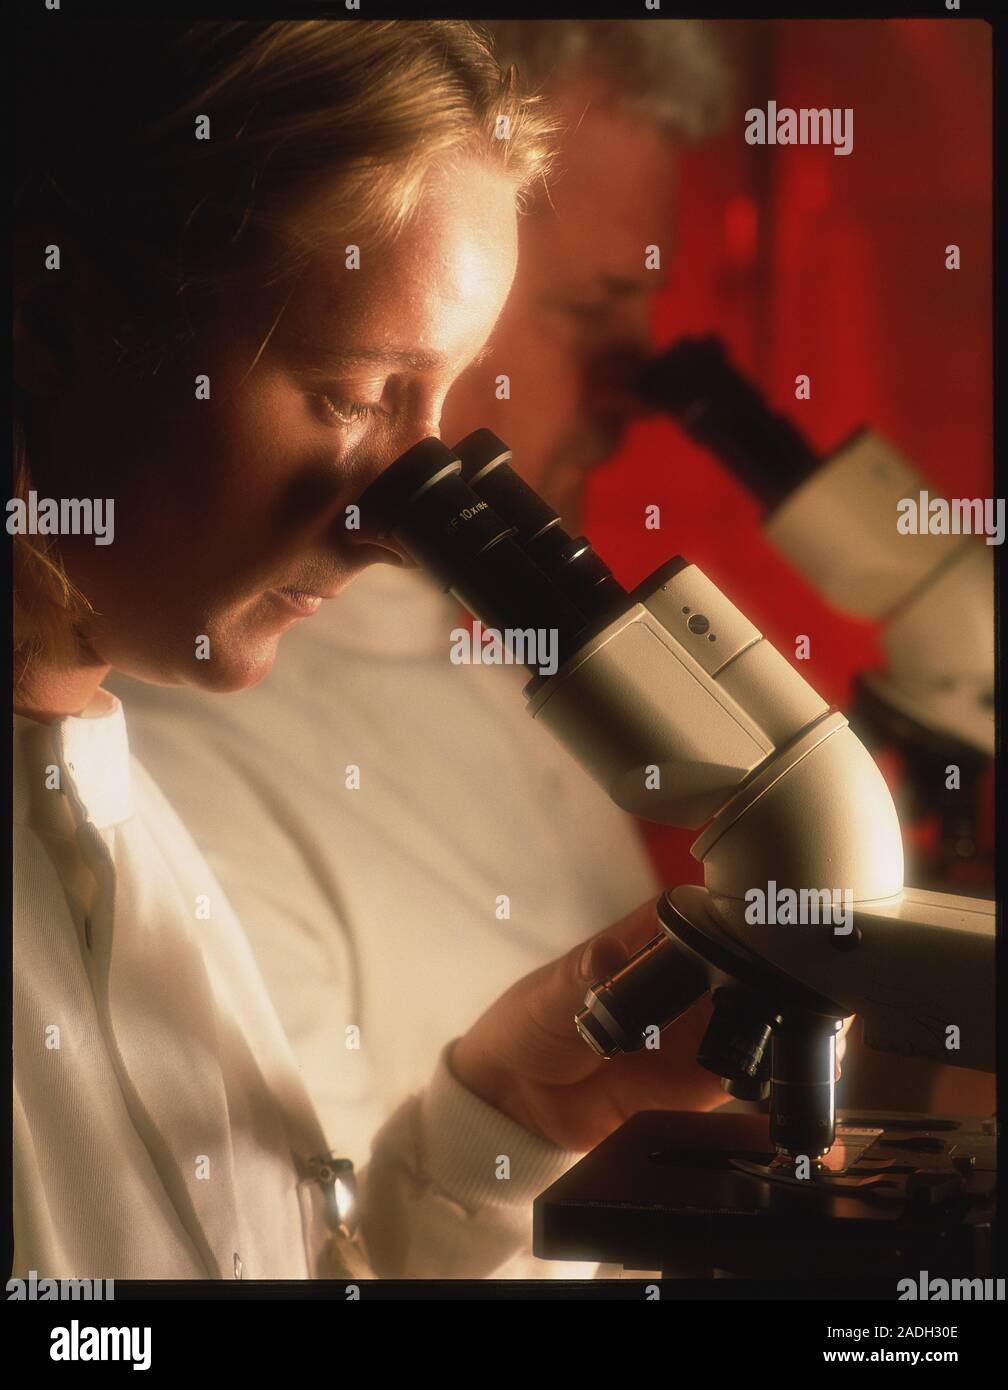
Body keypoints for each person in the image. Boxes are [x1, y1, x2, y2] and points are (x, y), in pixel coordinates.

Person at [12, 17, 727, 1283]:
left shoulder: (102, 803)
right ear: (49, 321)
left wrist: (501, 1121)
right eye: (350, 395)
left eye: (438, 404)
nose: (399, 525)